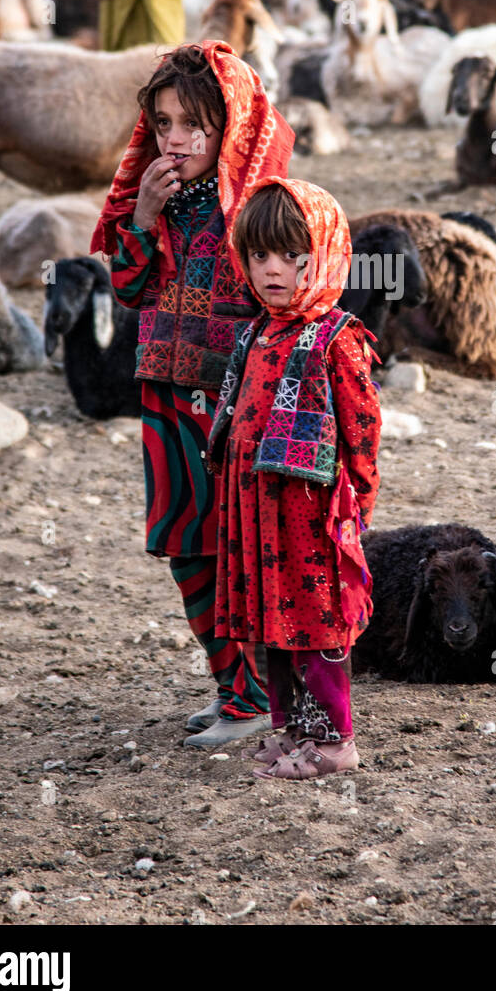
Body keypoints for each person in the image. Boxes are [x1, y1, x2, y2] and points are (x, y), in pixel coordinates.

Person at [90, 40, 295, 747]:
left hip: (234, 407)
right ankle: (230, 687)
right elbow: (126, 287)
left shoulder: (259, 212)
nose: (174, 140)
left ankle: (257, 697)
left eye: (192, 125)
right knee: (186, 542)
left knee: (240, 547)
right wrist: (142, 221)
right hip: (164, 394)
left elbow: (292, 301)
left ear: (230, 126)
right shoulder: (158, 204)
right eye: (163, 123)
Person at [208, 178, 382, 780]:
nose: (272, 270)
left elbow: (362, 425)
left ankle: (335, 741)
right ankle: (297, 729)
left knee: (318, 620)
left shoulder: (338, 338)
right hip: (258, 509)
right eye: (258, 256)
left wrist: (358, 499)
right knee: (273, 619)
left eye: (291, 256)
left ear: (325, 254)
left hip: (311, 513)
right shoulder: (259, 331)